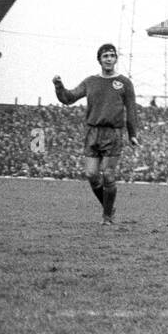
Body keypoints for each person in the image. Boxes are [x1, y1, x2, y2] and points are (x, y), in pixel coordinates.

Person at [52, 43, 140, 226]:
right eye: (105, 56)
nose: (108, 59)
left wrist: (133, 133)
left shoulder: (124, 83)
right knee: (92, 174)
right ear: (99, 59)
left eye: (112, 55)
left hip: (113, 133)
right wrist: (59, 86)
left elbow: (131, 110)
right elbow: (68, 98)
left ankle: (107, 217)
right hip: (93, 132)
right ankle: (109, 207)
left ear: (116, 59)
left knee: (108, 175)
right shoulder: (90, 82)